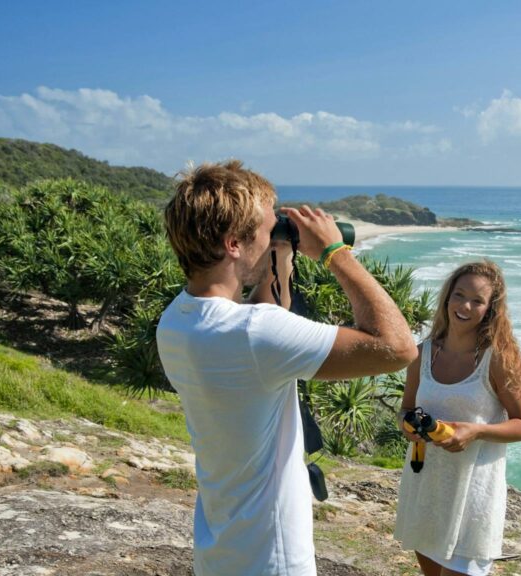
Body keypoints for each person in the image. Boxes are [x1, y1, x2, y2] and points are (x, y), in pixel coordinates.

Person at [156, 159, 418, 576]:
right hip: (272, 559)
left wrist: (277, 260)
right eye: (267, 228)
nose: (273, 234)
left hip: (221, 549)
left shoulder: (176, 321)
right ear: (232, 244)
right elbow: (398, 347)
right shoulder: (255, 334)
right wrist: (336, 252)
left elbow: (256, 340)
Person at [394, 260, 521, 576]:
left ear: (491, 309)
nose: (465, 306)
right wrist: (408, 426)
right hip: (426, 490)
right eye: (459, 295)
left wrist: (475, 431)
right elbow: (405, 410)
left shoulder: (498, 358)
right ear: (447, 297)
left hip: (472, 498)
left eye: (477, 300)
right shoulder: (422, 354)